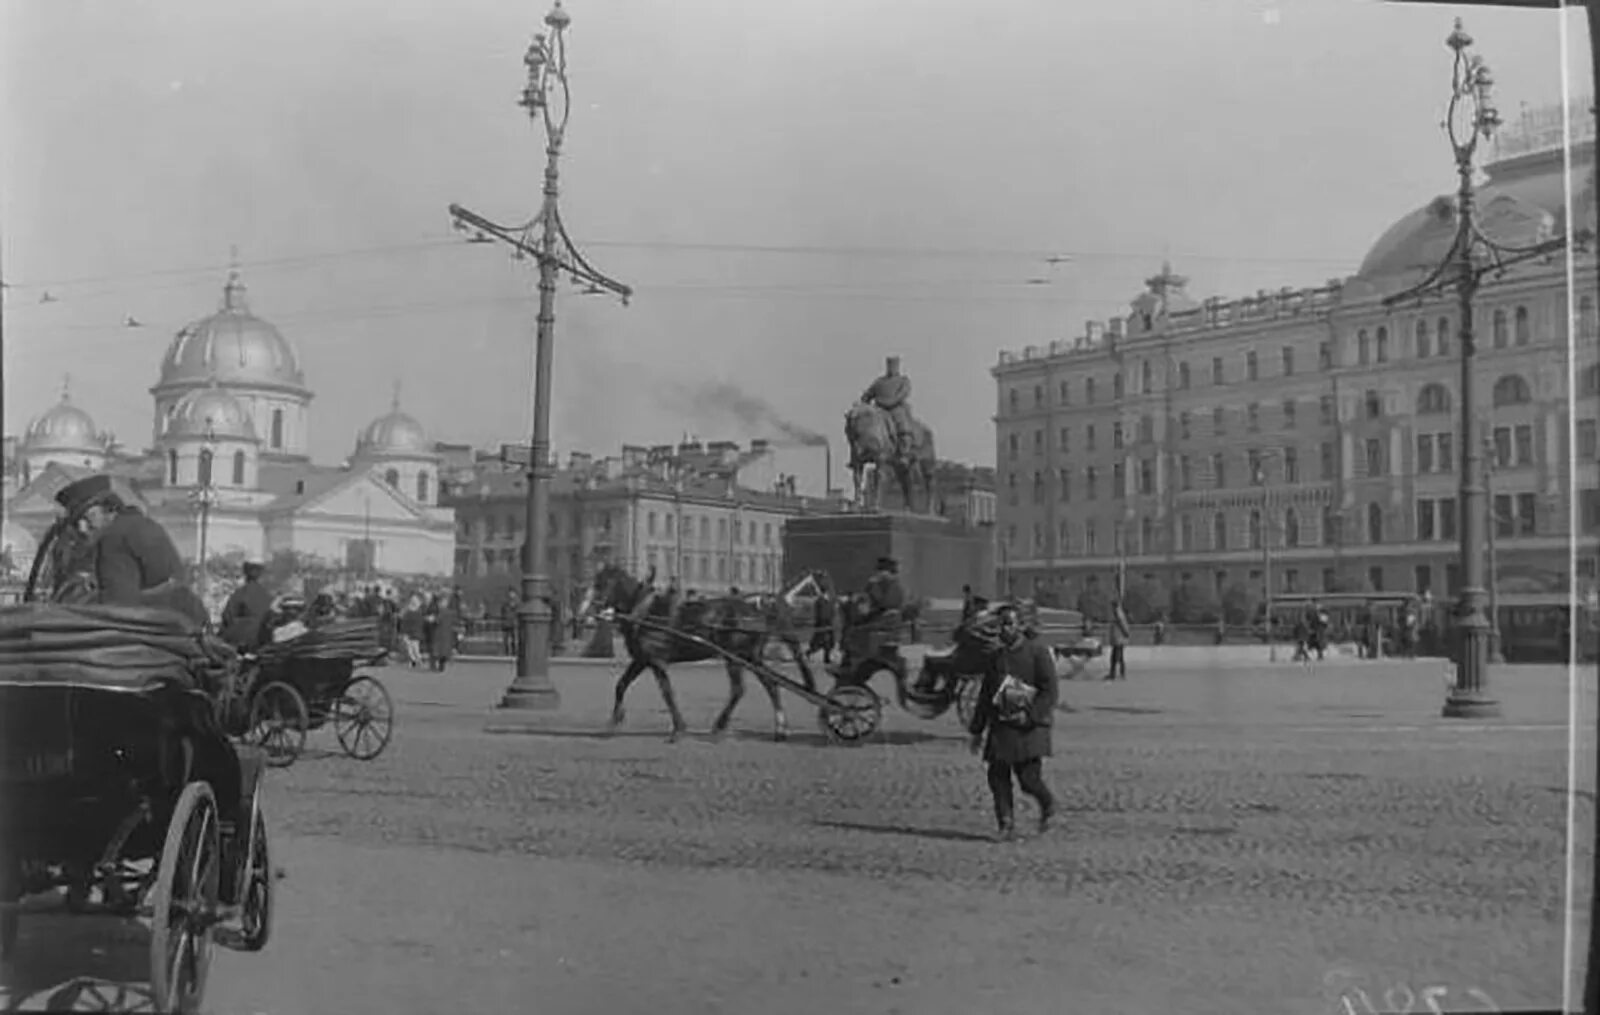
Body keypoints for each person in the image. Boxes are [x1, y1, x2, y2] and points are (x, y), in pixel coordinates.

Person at [52, 474, 207, 626]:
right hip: (179, 627)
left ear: (109, 509)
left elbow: (118, 608)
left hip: (154, 633)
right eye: (77, 522)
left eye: (88, 517)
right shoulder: (140, 524)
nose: (82, 528)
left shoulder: (113, 537)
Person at [967, 602, 1059, 841]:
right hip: (1001, 727)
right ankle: (1005, 823)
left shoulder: (1037, 652)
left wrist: (1031, 715)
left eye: (1009, 624)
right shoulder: (996, 657)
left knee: (1029, 780)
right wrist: (977, 731)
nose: (1004, 630)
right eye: (1000, 625)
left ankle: (1048, 805)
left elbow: (1050, 691)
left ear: (1021, 626)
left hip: (1029, 728)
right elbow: (986, 695)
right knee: (997, 778)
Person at [860, 355, 915, 457]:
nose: (891, 368)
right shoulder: (879, 382)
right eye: (890, 365)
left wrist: (889, 402)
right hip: (879, 410)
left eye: (894, 365)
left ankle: (904, 451)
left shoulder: (903, 381)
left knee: (901, 423)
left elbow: (903, 394)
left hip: (895, 408)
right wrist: (865, 400)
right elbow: (868, 394)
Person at [218, 561, 273, 651]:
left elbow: (227, 617)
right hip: (262, 644)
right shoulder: (268, 596)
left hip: (240, 644)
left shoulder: (240, 594)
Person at [1107, 597, 1130, 681]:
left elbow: (1122, 624)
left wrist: (1126, 633)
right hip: (1118, 638)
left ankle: (1114, 674)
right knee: (1119, 657)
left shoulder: (1118, 613)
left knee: (1115, 657)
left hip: (1118, 638)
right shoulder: (1118, 613)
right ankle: (1120, 673)